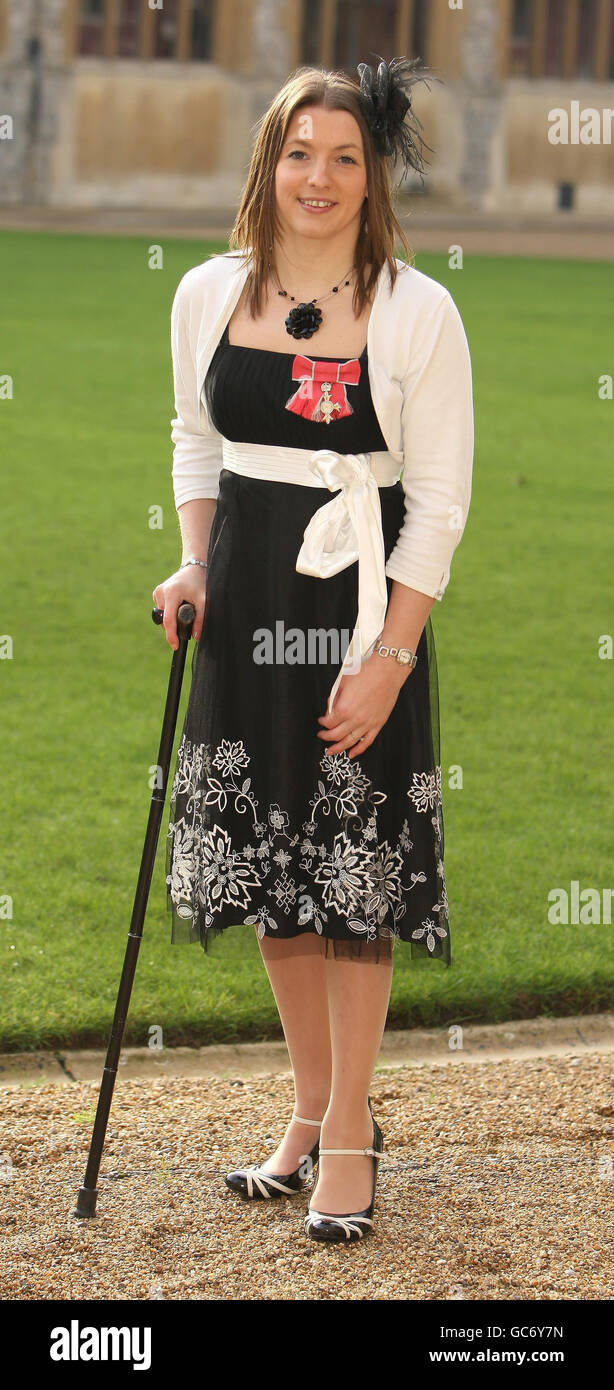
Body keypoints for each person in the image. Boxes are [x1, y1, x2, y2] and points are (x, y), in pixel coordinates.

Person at [153, 58, 474, 1243]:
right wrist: (193, 565)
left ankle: (350, 1136)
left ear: (371, 174)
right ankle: (309, 1112)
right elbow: (197, 450)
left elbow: (435, 506)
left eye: (344, 157)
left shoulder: (413, 310)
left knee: (351, 876)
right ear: (267, 161)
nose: (319, 177)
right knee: (274, 872)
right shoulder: (204, 293)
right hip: (242, 610)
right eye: (300, 152)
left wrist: (388, 658)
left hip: (353, 618)